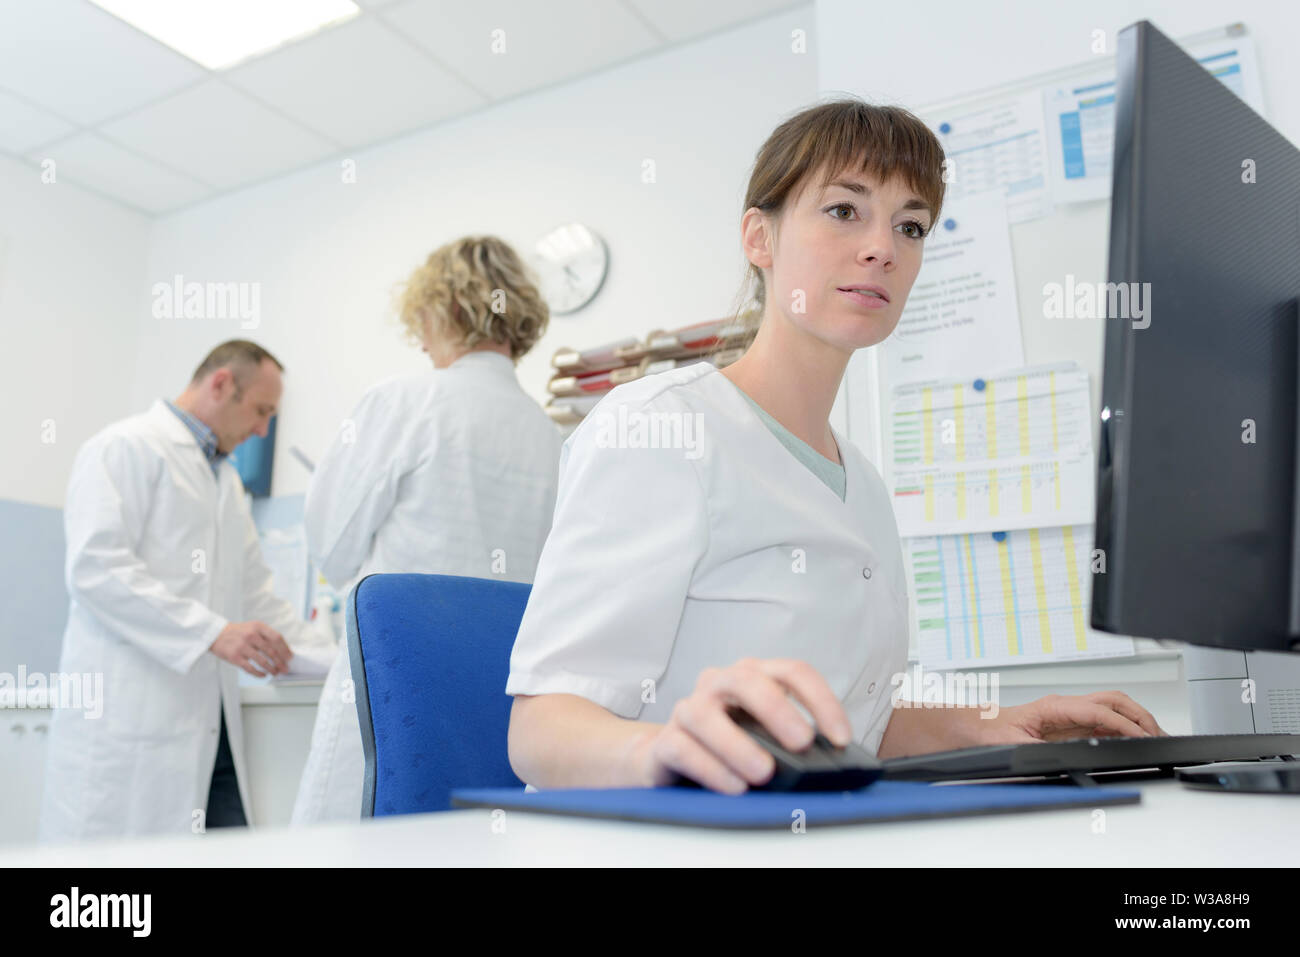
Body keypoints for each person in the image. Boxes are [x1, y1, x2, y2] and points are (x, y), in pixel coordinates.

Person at [505, 98, 1166, 794]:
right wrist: (666, 751)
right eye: (845, 210)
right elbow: (542, 730)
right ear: (759, 238)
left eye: (910, 226)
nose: (883, 246)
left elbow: (859, 725)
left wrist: (1000, 722)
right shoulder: (660, 430)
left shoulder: (866, 485)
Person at [291, 235, 563, 825]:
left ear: (446, 309)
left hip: (392, 697)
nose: (419, 340)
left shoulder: (401, 401)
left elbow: (331, 549)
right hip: (500, 711)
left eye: (422, 321)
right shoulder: (552, 439)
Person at [40, 340, 323, 842]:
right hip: (128, 726)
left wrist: (335, 658)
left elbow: (258, 598)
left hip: (208, 733)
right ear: (220, 384)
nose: (262, 429)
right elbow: (95, 568)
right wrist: (213, 633)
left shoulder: (226, 484)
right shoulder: (123, 448)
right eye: (260, 411)